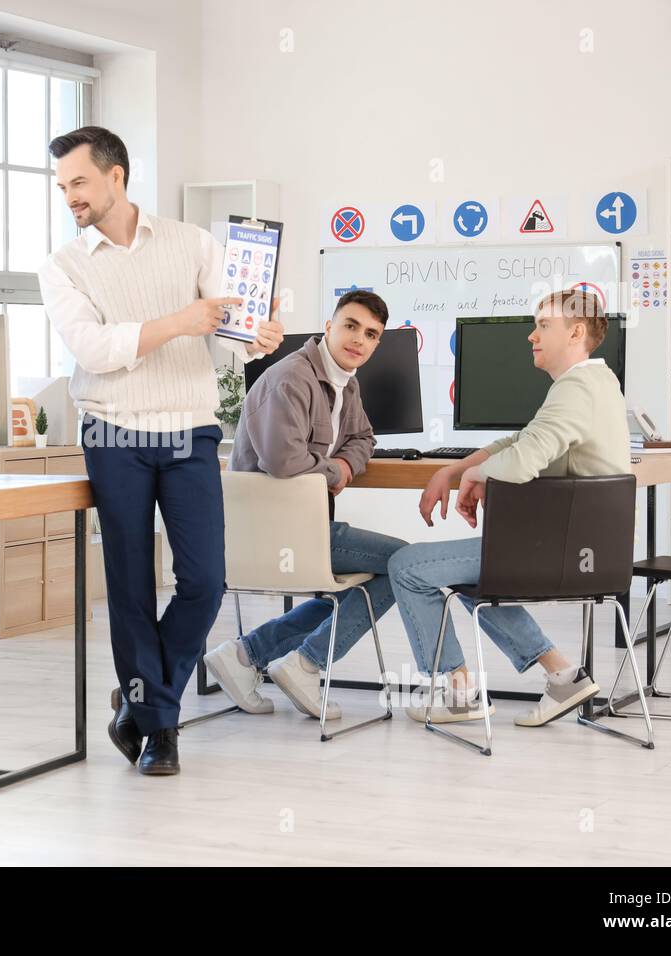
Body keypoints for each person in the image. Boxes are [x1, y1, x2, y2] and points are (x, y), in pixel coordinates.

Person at [38, 126, 283, 775]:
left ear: (116, 176)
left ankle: (142, 705)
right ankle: (161, 729)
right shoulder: (64, 265)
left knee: (205, 580)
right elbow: (92, 350)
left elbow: (229, 334)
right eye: (63, 187)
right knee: (130, 586)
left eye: (80, 182)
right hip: (113, 431)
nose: (71, 197)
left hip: (189, 430)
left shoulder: (192, 243)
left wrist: (257, 336)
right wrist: (181, 321)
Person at [387, 289, 625, 726]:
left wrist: (474, 478)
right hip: (583, 552)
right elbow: (516, 443)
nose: (531, 336)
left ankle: (459, 695)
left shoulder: (576, 391)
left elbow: (519, 462)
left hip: (558, 554)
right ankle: (564, 675)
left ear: (575, 332)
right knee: (460, 574)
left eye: (543, 326)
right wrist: (456, 471)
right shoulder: (595, 382)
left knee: (406, 565)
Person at [208, 290, 406, 719]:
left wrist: (342, 465)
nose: (359, 339)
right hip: (273, 533)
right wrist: (337, 472)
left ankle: (247, 656)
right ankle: (304, 664)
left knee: (391, 570)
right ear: (329, 326)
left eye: (371, 334)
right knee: (405, 564)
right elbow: (286, 464)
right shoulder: (290, 379)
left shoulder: (345, 384)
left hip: (304, 529)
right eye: (351, 326)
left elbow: (364, 439)